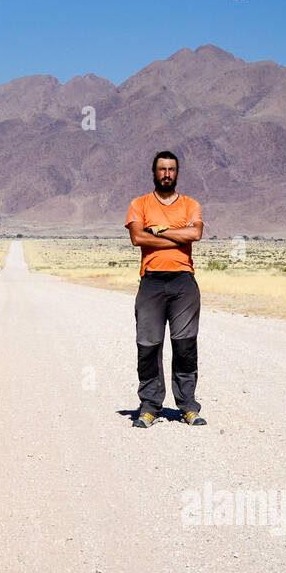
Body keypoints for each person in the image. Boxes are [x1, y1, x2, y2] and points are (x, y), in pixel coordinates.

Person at [124, 151, 206, 427]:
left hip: (183, 281)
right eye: (162, 169)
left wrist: (158, 232)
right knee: (148, 345)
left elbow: (195, 234)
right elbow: (138, 237)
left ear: (177, 173)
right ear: (154, 172)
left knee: (185, 346)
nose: (167, 174)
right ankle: (149, 406)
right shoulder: (140, 204)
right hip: (152, 282)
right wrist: (176, 235)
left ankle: (188, 406)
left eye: (171, 169)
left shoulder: (190, 205)